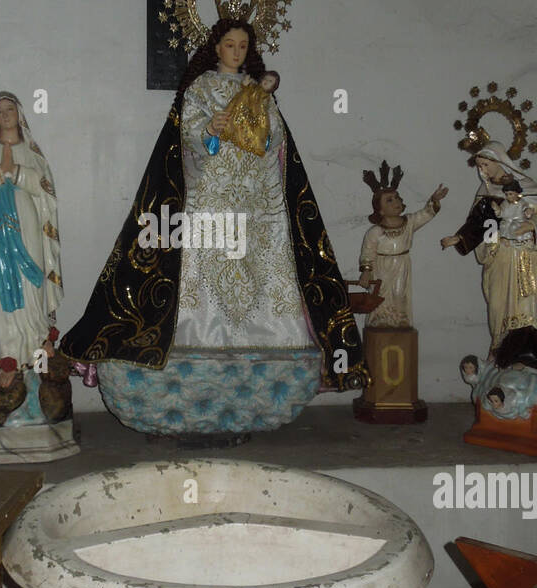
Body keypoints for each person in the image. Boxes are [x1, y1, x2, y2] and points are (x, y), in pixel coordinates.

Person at [61, 19, 365, 388]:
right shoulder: (201, 88)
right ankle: (198, 342)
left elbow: (277, 141)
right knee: (206, 263)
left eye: (243, 46)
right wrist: (210, 131)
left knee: (263, 263)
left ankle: (270, 343)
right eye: (229, 45)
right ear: (216, 48)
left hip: (255, 196)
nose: (236, 52)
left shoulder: (258, 89)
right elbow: (186, 136)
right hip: (212, 194)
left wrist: (263, 135)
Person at [0, 93, 61, 399]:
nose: (5, 115)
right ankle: (5, 356)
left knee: (32, 285)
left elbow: (46, 194)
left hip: (27, 227)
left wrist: (16, 174)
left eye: (9, 109)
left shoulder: (32, 154)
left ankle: (36, 350)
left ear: (19, 114)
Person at [441, 142, 537, 369]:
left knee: (532, 304)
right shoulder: (486, 193)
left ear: (499, 161)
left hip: (527, 257)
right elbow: (481, 225)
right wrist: (461, 239)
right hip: (501, 258)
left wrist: (532, 225)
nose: (483, 169)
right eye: (480, 165)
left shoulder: (527, 187)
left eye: (486, 164)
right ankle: (503, 356)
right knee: (499, 305)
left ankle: (534, 361)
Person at [358, 166, 448, 328]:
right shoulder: (375, 231)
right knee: (379, 296)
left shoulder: (409, 222)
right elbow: (368, 252)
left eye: (397, 197)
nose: (396, 202)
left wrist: (434, 200)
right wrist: (366, 271)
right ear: (380, 210)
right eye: (389, 200)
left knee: (399, 294)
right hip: (381, 267)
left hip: (401, 265)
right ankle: (380, 322)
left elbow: (426, 214)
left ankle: (399, 321)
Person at [220, 70, 280, 157]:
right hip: (245, 109)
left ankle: (251, 143)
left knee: (257, 131)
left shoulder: (267, 97)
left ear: (274, 86)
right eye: (265, 79)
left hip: (258, 115)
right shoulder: (254, 87)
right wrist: (245, 83)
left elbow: (264, 107)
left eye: (270, 81)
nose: (266, 81)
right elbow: (246, 88)